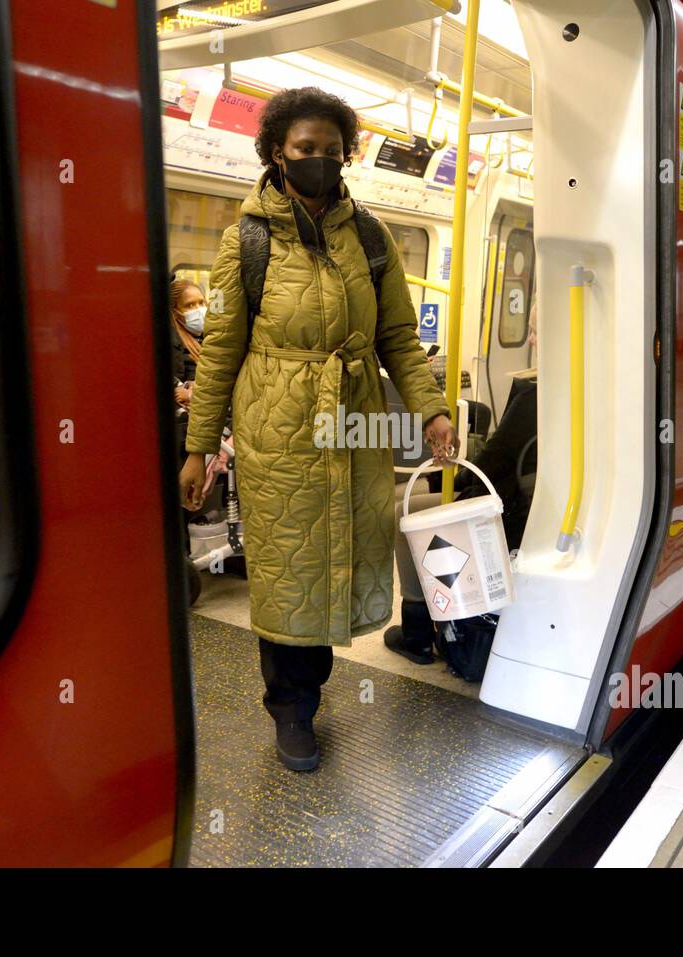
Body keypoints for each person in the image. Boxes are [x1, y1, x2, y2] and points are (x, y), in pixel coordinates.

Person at [178, 87, 457, 772]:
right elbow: (218, 349)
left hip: (356, 418)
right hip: (281, 425)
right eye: (306, 149)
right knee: (289, 568)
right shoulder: (241, 241)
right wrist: (198, 447)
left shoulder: (371, 235)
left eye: (333, 151)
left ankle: (312, 687)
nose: (320, 161)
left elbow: (396, 333)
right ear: (277, 150)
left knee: (337, 558)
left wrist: (433, 408)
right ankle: (291, 709)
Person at [386, 304, 538, 665]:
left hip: (507, 516)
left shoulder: (532, 397)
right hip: (528, 506)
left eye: (535, 331)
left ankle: (417, 632)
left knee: (403, 513)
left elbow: (488, 466)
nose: (531, 339)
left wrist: (451, 472)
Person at [169, 278, 206, 411]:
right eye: (190, 305)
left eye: (201, 303)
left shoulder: (210, 337)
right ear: (175, 312)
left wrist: (193, 393)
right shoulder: (174, 345)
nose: (199, 310)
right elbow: (179, 394)